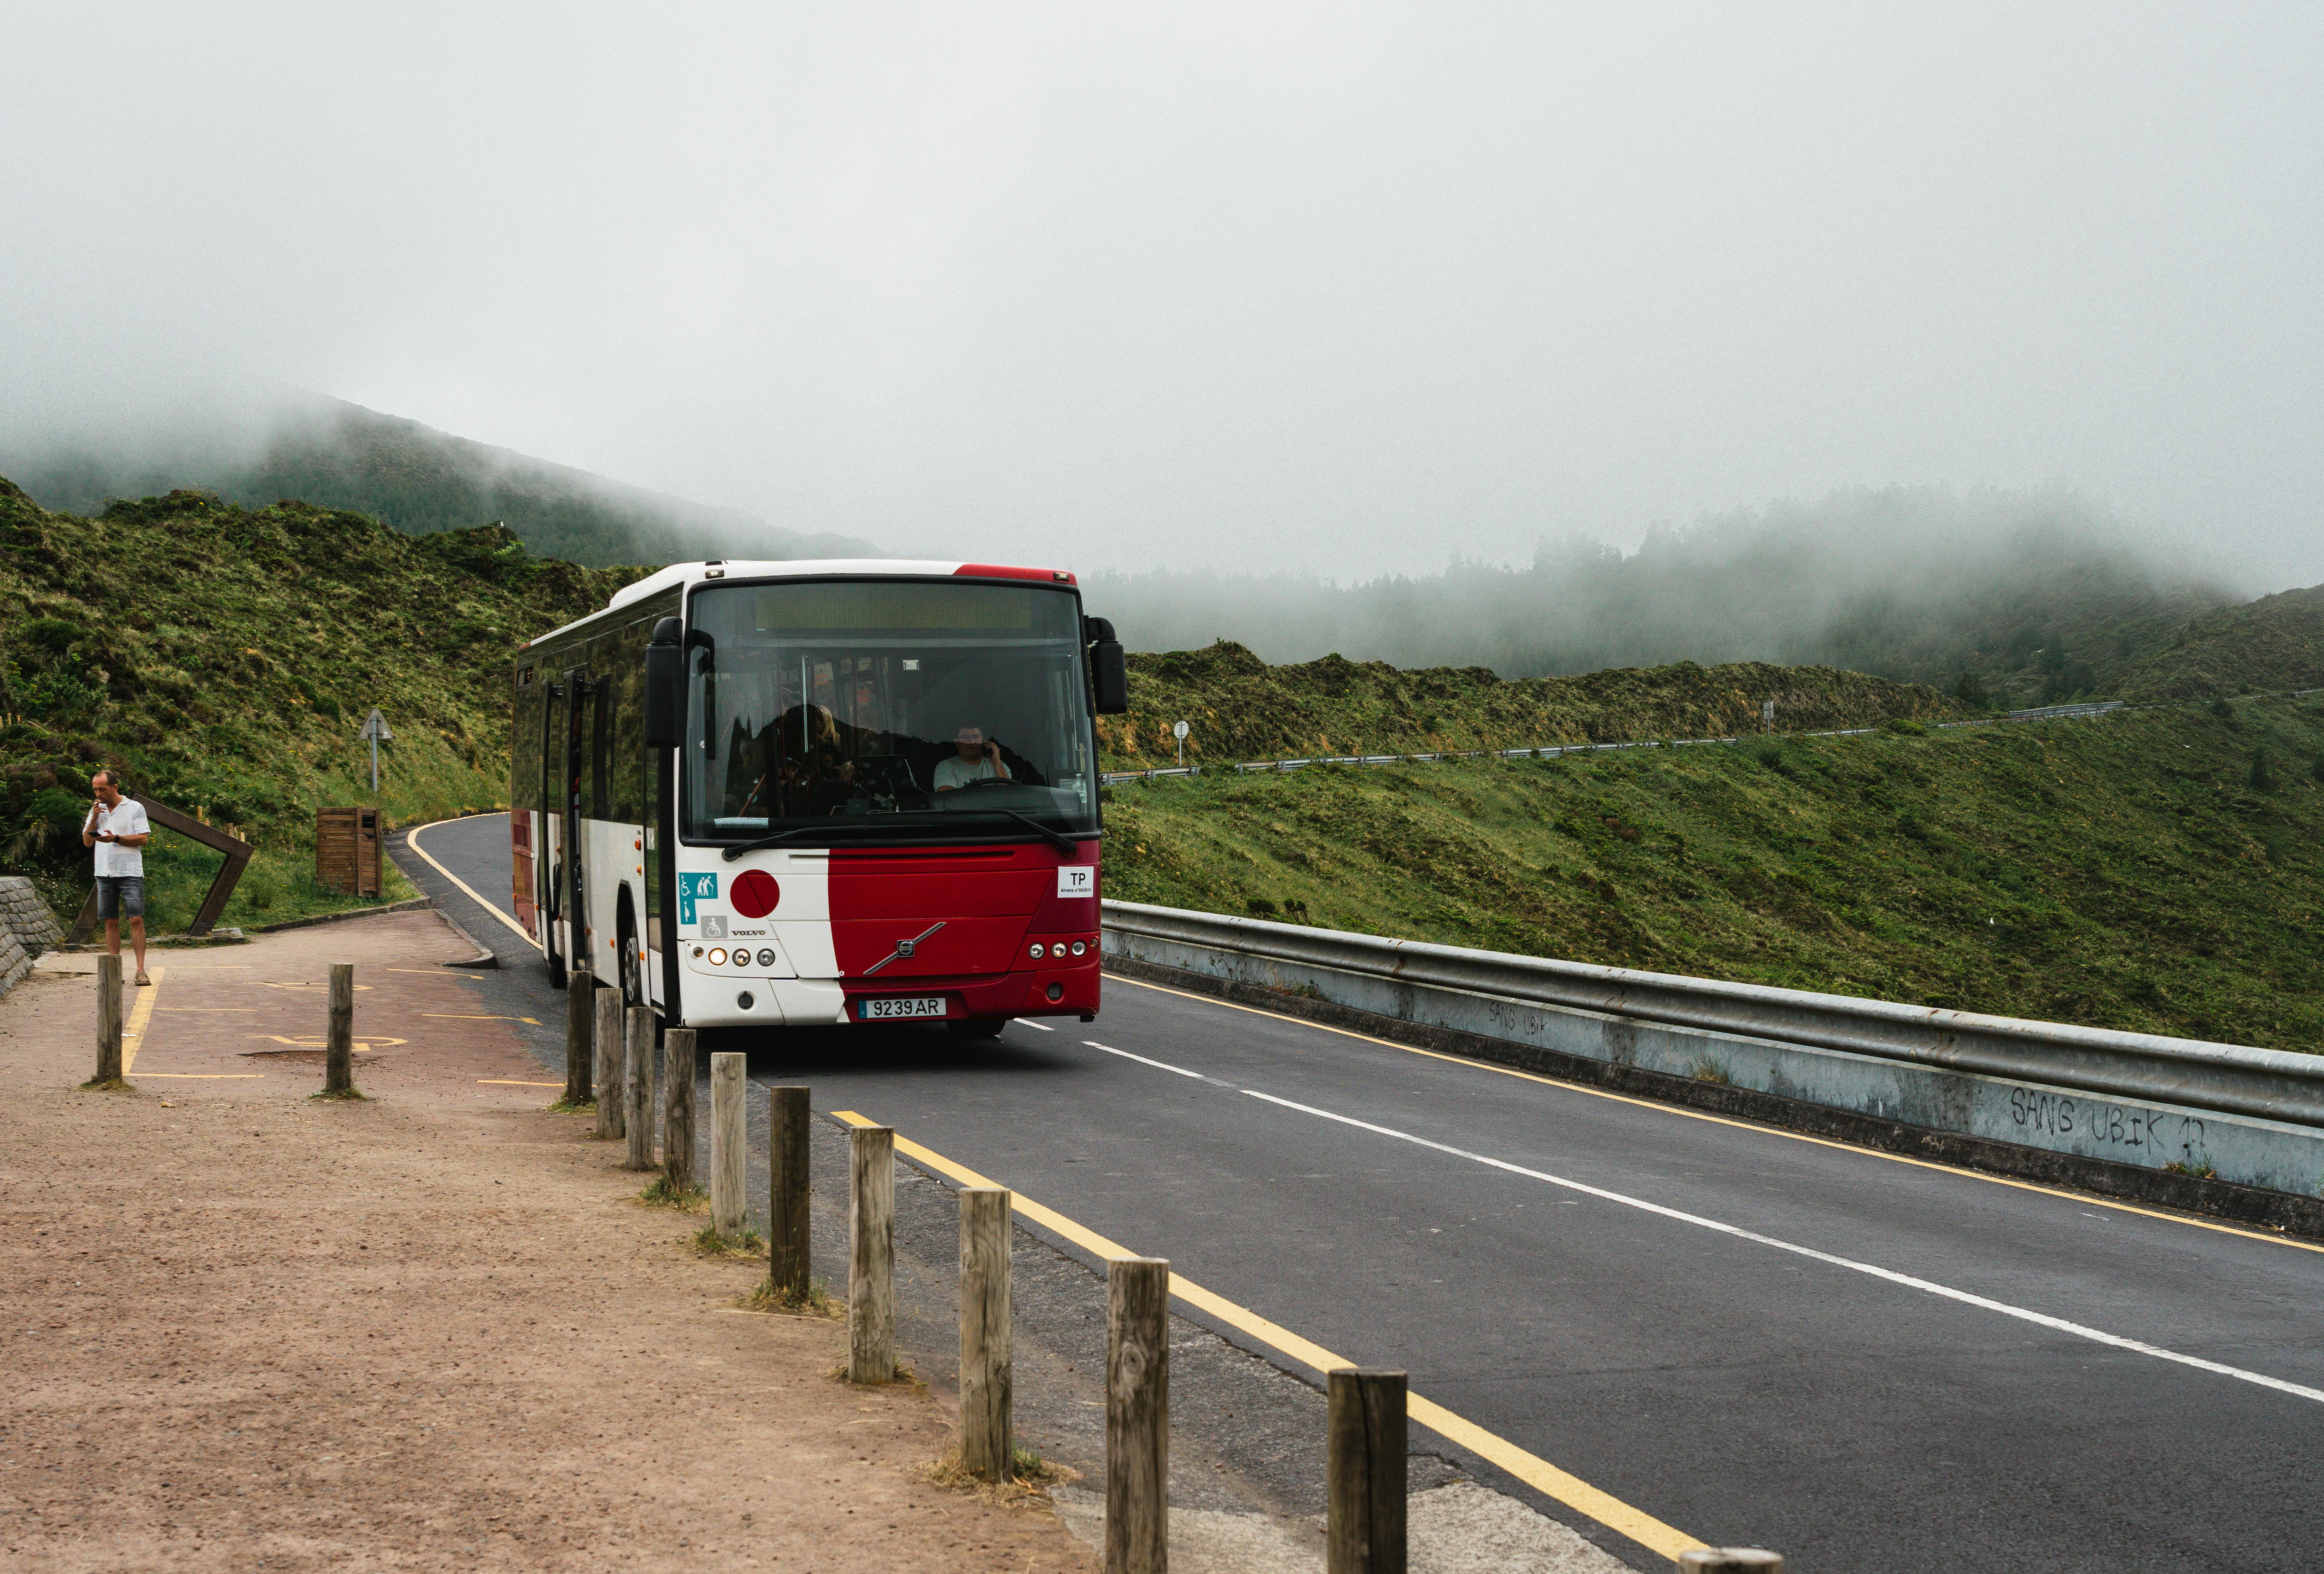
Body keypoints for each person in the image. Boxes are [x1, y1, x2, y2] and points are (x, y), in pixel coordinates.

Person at [82, 769, 152, 985]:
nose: (98, 794)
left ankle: (140, 970)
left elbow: (143, 839)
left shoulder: (134, 807)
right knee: (110, 921)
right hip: (105, 872)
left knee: (136, 919)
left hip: (130, 871)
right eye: (95, 790)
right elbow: (87, 842)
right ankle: (114, 971)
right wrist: (95, 818)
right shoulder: (96, 810)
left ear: (115, 787)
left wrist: (116, 839)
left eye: (102, 789)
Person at [932, 725, 1012, 792]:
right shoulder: (946, 767)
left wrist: (997, 762)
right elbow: (947, 798)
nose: (971, 742)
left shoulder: (1000, 766)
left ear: (983, 741)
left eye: (976, 737)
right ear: (957, 742)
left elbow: (1007, 795)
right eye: (965, 738)